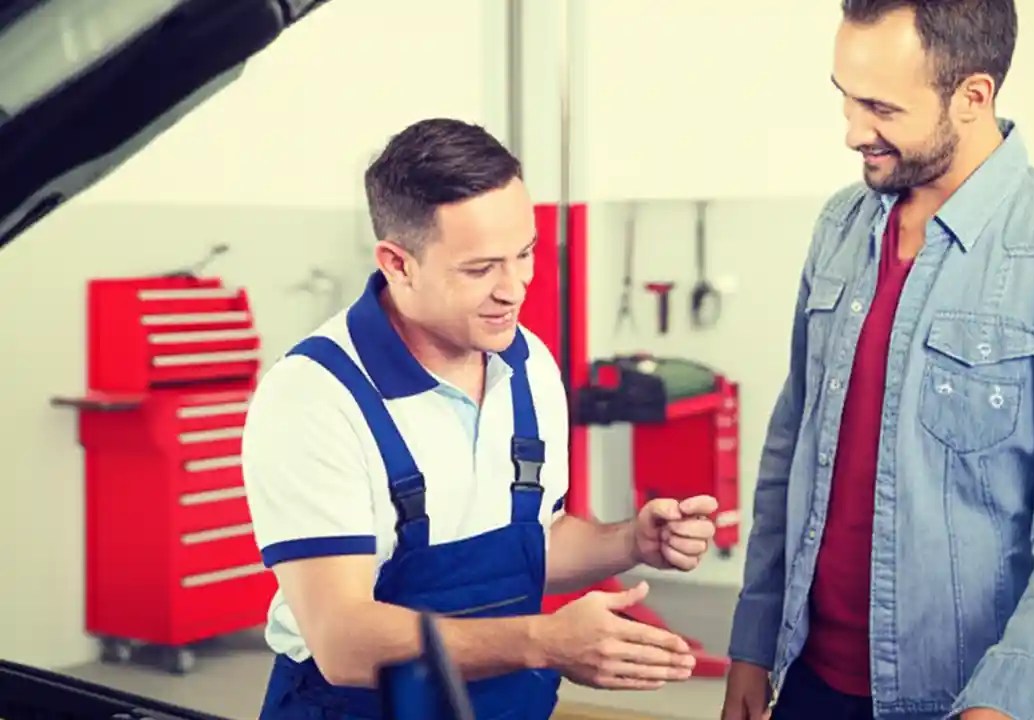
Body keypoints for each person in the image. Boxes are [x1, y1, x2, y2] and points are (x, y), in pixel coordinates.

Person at [721, 2, 1034, 720]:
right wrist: (753, 643)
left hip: (964, 699)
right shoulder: (839, 226)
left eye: (880, 107)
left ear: (973, 96)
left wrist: (1009, 700)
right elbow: (791, 447)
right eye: (845, 97)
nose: (853, 131)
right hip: (807, 683)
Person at [242, 118, 718, 719]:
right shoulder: (315, 397)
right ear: (397, 262)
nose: (515, 288)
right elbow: (343, 640)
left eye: (525, 254)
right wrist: (543, 641)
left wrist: (630, 540)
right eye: (480, 268)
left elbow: (529, 540)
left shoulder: (528, 366)